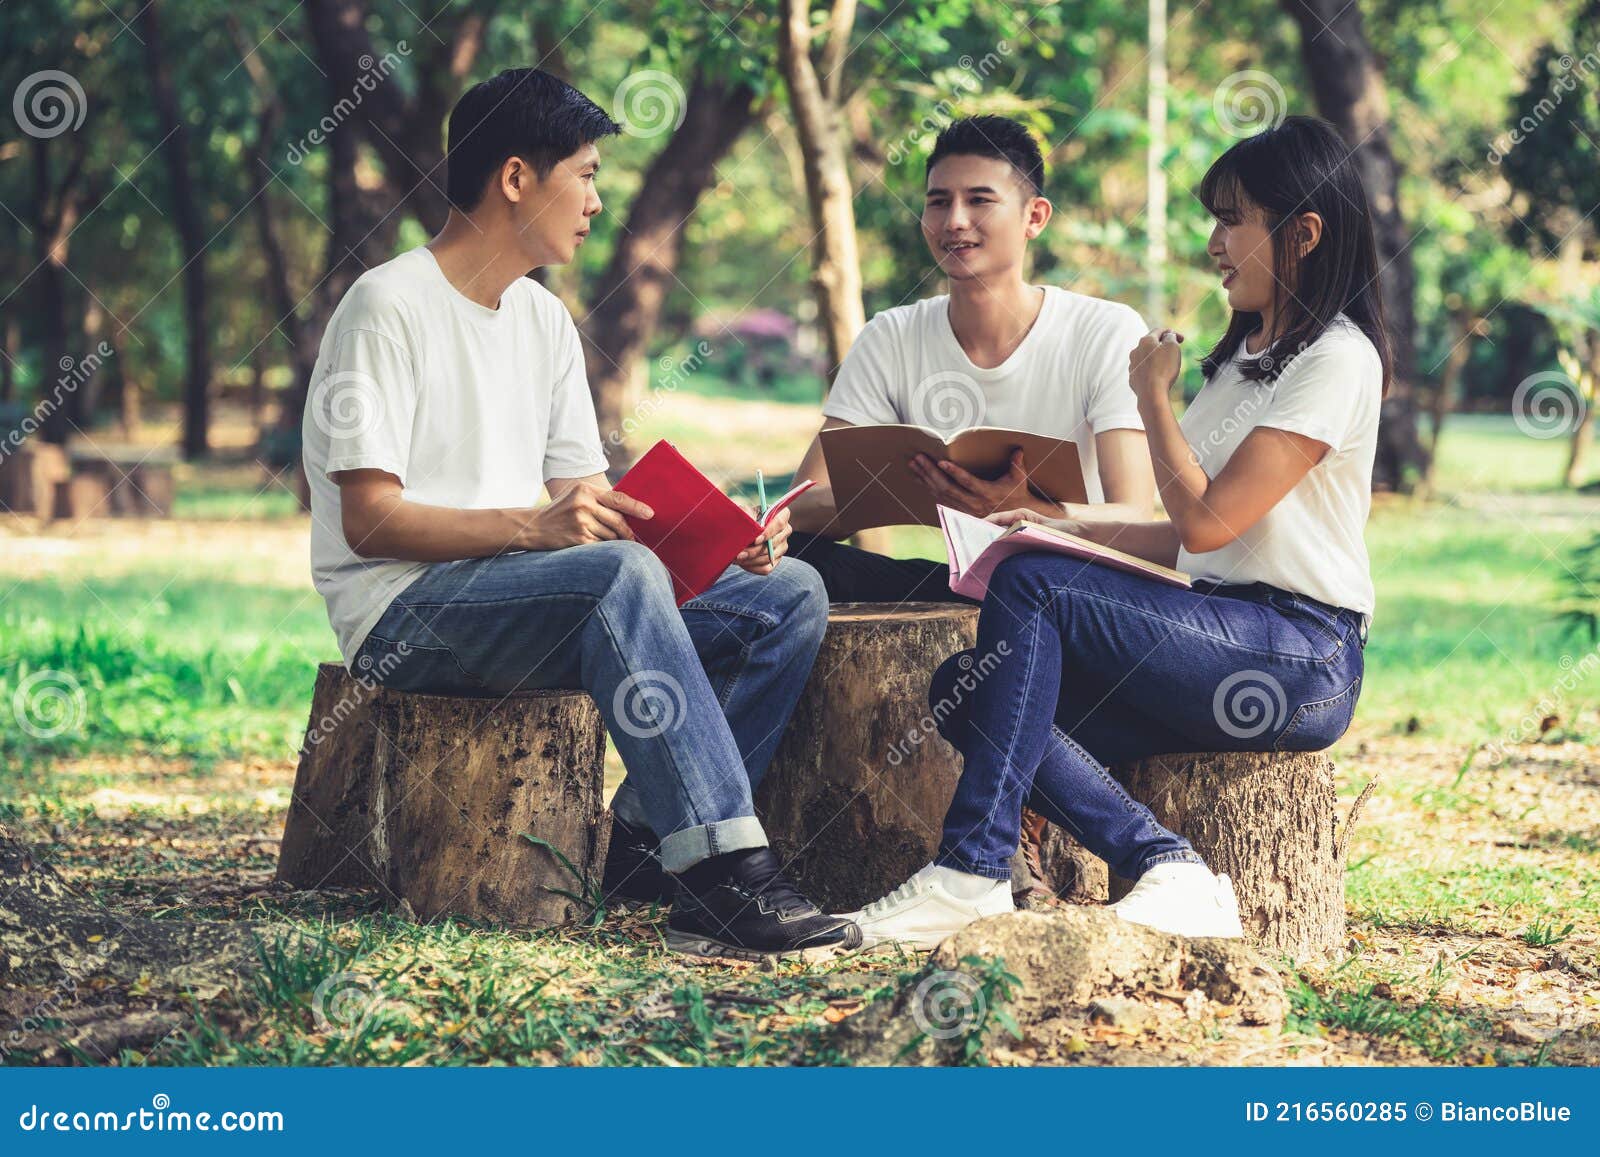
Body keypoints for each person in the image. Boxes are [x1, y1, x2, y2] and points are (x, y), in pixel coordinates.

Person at [300, 68, 858, 962]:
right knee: (618, 578)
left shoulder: (543, 320)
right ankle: (722, 877)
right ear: (517, 177)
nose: (597, 200)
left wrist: (717, 542)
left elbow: (588, 513)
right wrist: (533, 528)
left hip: (538, 594)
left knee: (786, 595)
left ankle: (641, 845)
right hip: (407, 610)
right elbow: (370, 521)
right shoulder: (387, 306)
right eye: (587, 173)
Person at [847, 115, 1384, 948]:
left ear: (1302, 234)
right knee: (968, 684)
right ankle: (1173, 869)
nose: (1213, 243)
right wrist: (1051, 519)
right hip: (1220, 634)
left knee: (1031, 586)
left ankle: (970, 869)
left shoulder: (1337, 359)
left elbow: (1205, 521)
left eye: (1231, 220)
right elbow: (1175, 529)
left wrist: (1152, 399)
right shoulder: (1247, 357)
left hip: (1300, 652)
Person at [786, 115, 1157, 604]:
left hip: (1072, 587)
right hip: (966, 584)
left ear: (1035, 217)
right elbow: (795, 511)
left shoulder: (1105, 331)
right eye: (938, 202)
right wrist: (917, 492)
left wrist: (1025, 510)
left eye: (979, 200)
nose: (954, 220)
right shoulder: (891, 336)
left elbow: (1134, 512)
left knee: (1026, 583)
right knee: (793, 558)